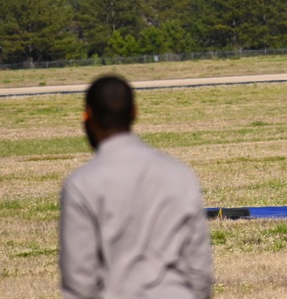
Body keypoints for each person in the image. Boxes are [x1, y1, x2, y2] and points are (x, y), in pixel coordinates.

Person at [59, 75, 213, 298]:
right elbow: (199, 267)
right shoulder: (181, 175)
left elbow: (79, 280)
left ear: (87, 116)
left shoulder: (82, 185)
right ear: (134, 112)